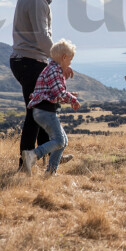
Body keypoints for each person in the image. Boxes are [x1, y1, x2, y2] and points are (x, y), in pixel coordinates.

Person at [11, 0, 71, 171]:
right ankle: (24, 164)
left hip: (24, 60)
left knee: (42, 108)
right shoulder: (38, 1)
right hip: (31, 61)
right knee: (36, 113)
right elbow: (42, 36)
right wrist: (60, 61)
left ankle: (51, 153)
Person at [21, 39, 80, 176]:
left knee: (63, 141)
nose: (70, 63)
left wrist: (69, 95)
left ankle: (51, 172)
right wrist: (73, 100)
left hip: (44, 110)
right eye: (70, 59)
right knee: (59, 140)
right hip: (45, 111)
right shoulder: (54, 70)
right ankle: (33, 155)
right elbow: (59, 93)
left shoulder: (52, 69)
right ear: (64, 57)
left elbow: (55, 93)